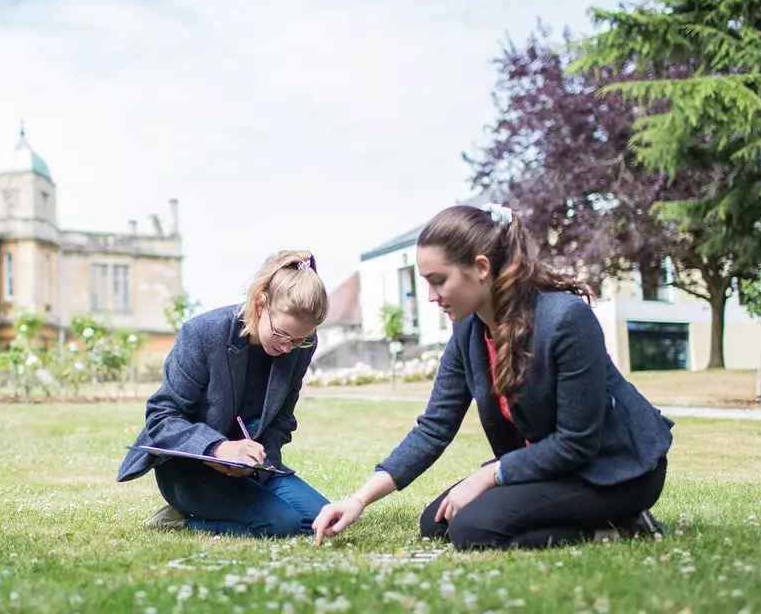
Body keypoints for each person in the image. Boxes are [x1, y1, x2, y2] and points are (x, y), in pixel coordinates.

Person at [312, 203, 673, 551]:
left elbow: (576, 443)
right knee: (437, 523)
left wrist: (488, 476)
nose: (431, 296)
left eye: (438, 281)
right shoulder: (468, 331)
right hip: (551, 467)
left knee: (474, 529)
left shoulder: (565, 319)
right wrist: (359, 499)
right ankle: (599, 522)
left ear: (481, 267)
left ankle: (618, 525)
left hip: (613, 469)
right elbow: (434, 427)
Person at [117, 250, 332, 538]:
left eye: (299, 340)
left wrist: (258, 459)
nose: (287, 348)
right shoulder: (203, 333)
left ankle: (241, 505)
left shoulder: (300, 346)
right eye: (281, 335)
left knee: (324, 520)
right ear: (260, 304)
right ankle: (181, 520)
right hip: (189, 469)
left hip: (251, 471)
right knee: (281, 525)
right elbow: (162, 418)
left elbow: (281, 420)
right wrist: (220, 449)